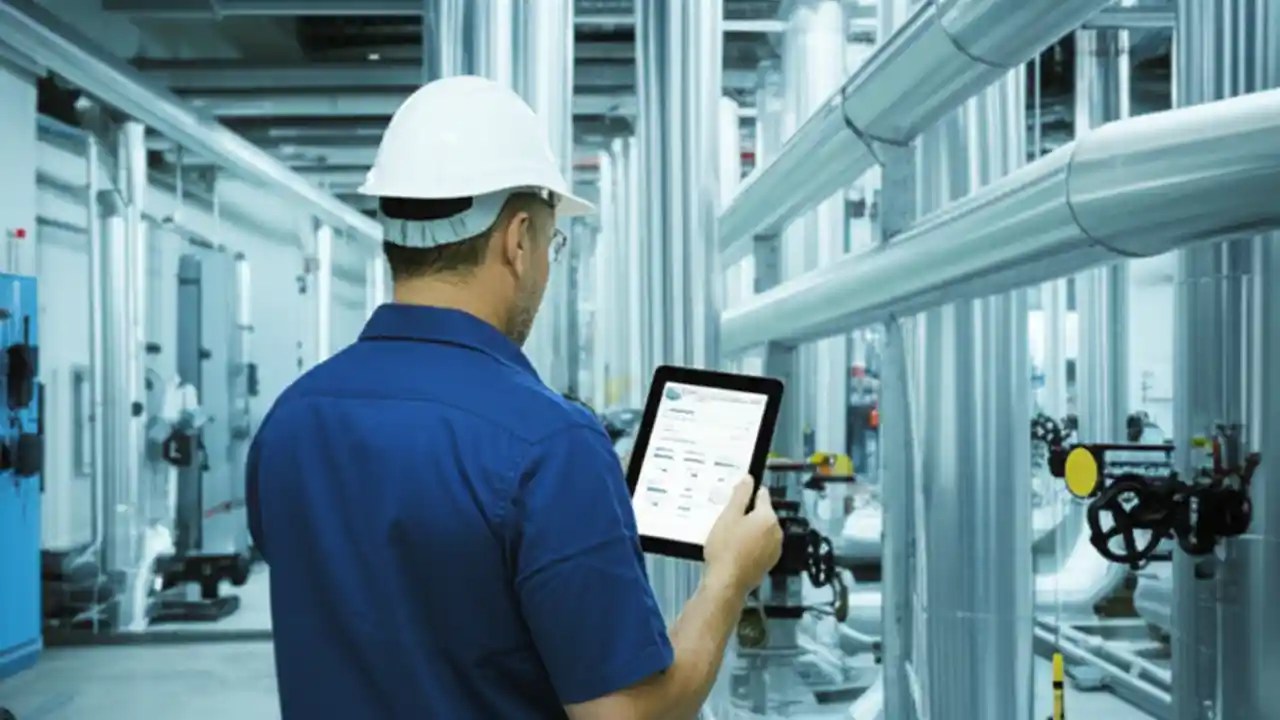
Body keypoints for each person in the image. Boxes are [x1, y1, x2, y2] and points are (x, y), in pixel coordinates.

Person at [245, 75, 783, 720]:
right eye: (553, 244)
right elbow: (627, 716)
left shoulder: (291, 420)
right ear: (519, 239)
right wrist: (728, 577)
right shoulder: (549, 445)